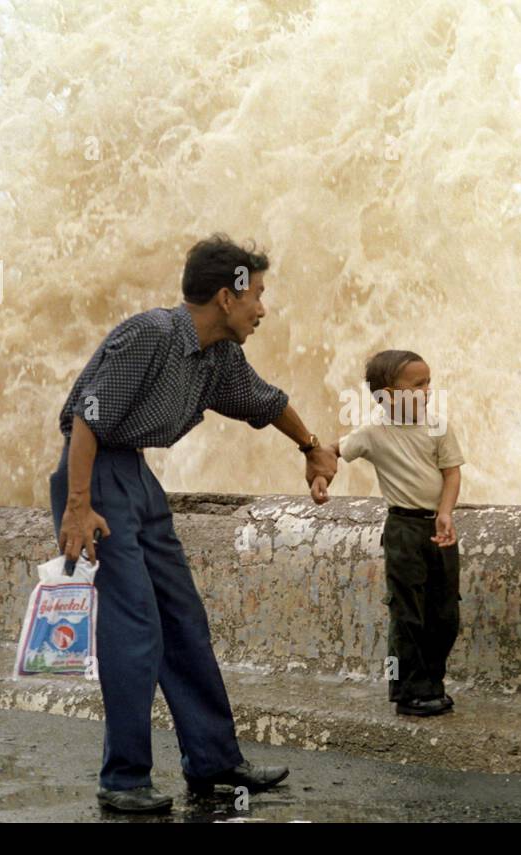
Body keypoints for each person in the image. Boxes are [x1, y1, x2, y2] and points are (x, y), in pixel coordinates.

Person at [50, 234, 339, 813]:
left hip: (135, 476)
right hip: (96, 476)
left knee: (183, 617)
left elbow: (264, 400)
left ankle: (212, 762)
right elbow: (89, 416)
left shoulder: (217, 356)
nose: (262, 308)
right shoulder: (151, 335)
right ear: (226, 297)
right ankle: (124, 779)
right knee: (135, 629)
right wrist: (78, 506)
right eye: (256, 295)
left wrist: (310, 445)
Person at [310, 350, 464, 717]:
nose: (427, 391)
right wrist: (319, 475)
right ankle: (409, 692)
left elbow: (452, 473)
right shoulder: (373, 433)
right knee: (407, 613)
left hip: (437, 528)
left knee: (444, 613)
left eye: (429, 383)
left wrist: (445, 513)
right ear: (387, 396)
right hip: (403, 530)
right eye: (418, 385)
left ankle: (432, 684)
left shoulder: (438, 426)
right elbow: (332, 451)